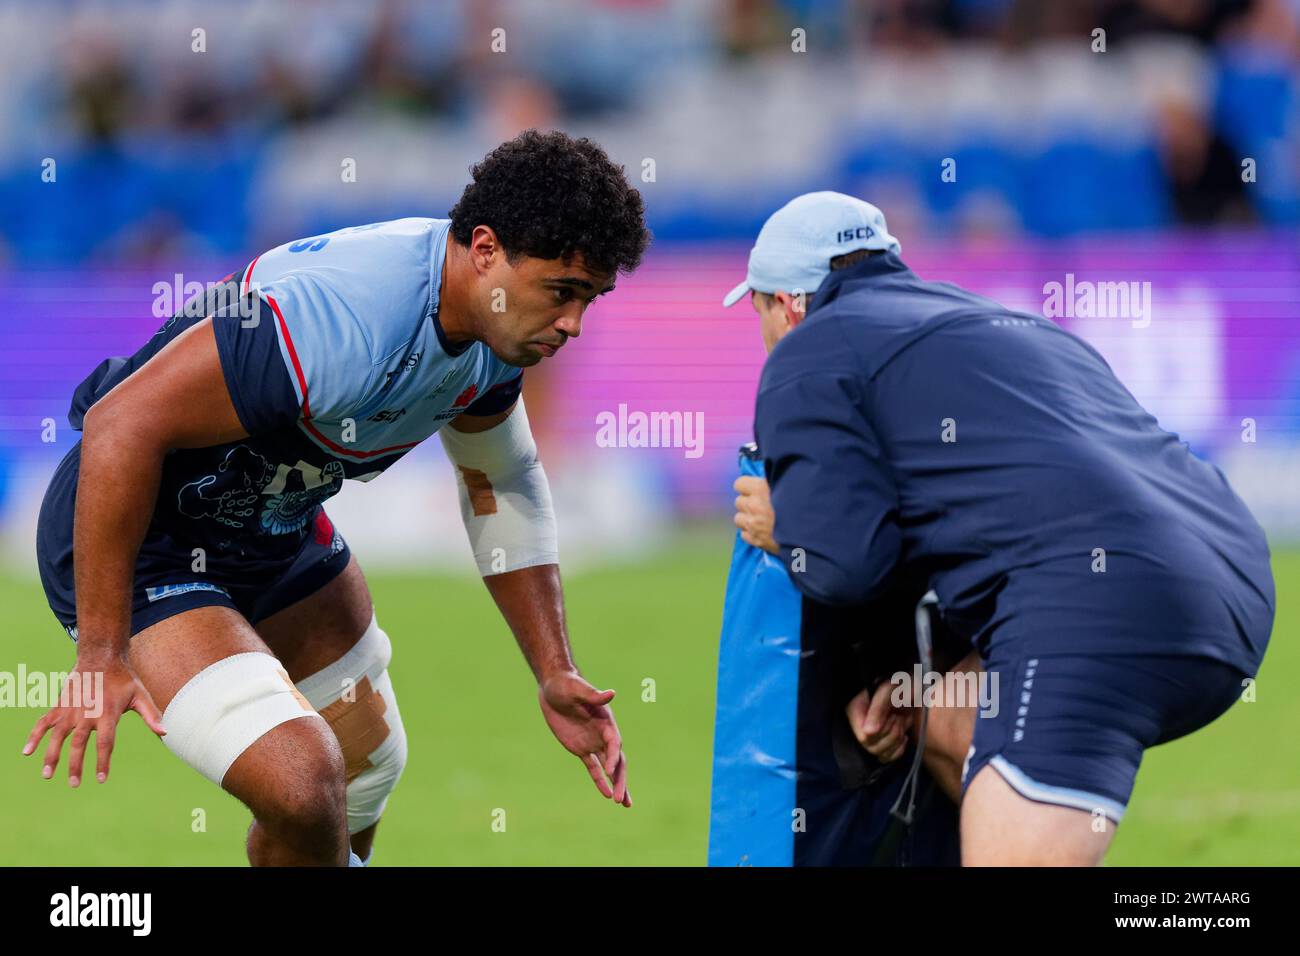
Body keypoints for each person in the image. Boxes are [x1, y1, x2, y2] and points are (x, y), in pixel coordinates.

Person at [25, 130, 649, 866]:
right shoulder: (343, 316)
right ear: (485, 250)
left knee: (363, 767)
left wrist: (553, 669)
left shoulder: (492, 331)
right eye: (563, 292)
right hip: (144, 544)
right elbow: (119, 424)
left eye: (591, 299)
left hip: (273, 528)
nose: (574, 323)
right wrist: (101, 654)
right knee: (302, 779)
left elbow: (498, 481)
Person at [725, 190, 1274, 865]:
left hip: (1096, 605)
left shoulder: (810, 349)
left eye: (756, 312)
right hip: (1235, 578)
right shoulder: (1001, 320)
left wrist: (793, 527)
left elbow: (848, 567)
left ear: (788, 302)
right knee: (949, 718)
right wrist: (920, 688)